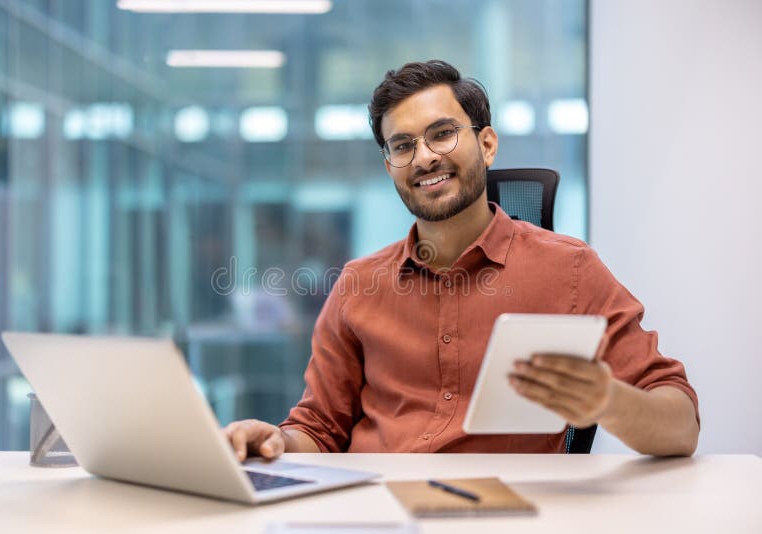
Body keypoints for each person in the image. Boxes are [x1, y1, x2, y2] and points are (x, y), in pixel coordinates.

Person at [224, 60, 700, 460]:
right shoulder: (357, 284)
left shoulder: (570, 270)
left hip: (506, 513)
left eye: (443, 134)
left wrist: (609, 401)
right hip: (377, 512)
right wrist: (277, 442)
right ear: (389, 165)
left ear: (487, 144)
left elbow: (680, 424)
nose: (424, 157)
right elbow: (320, 428)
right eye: (403, 145)